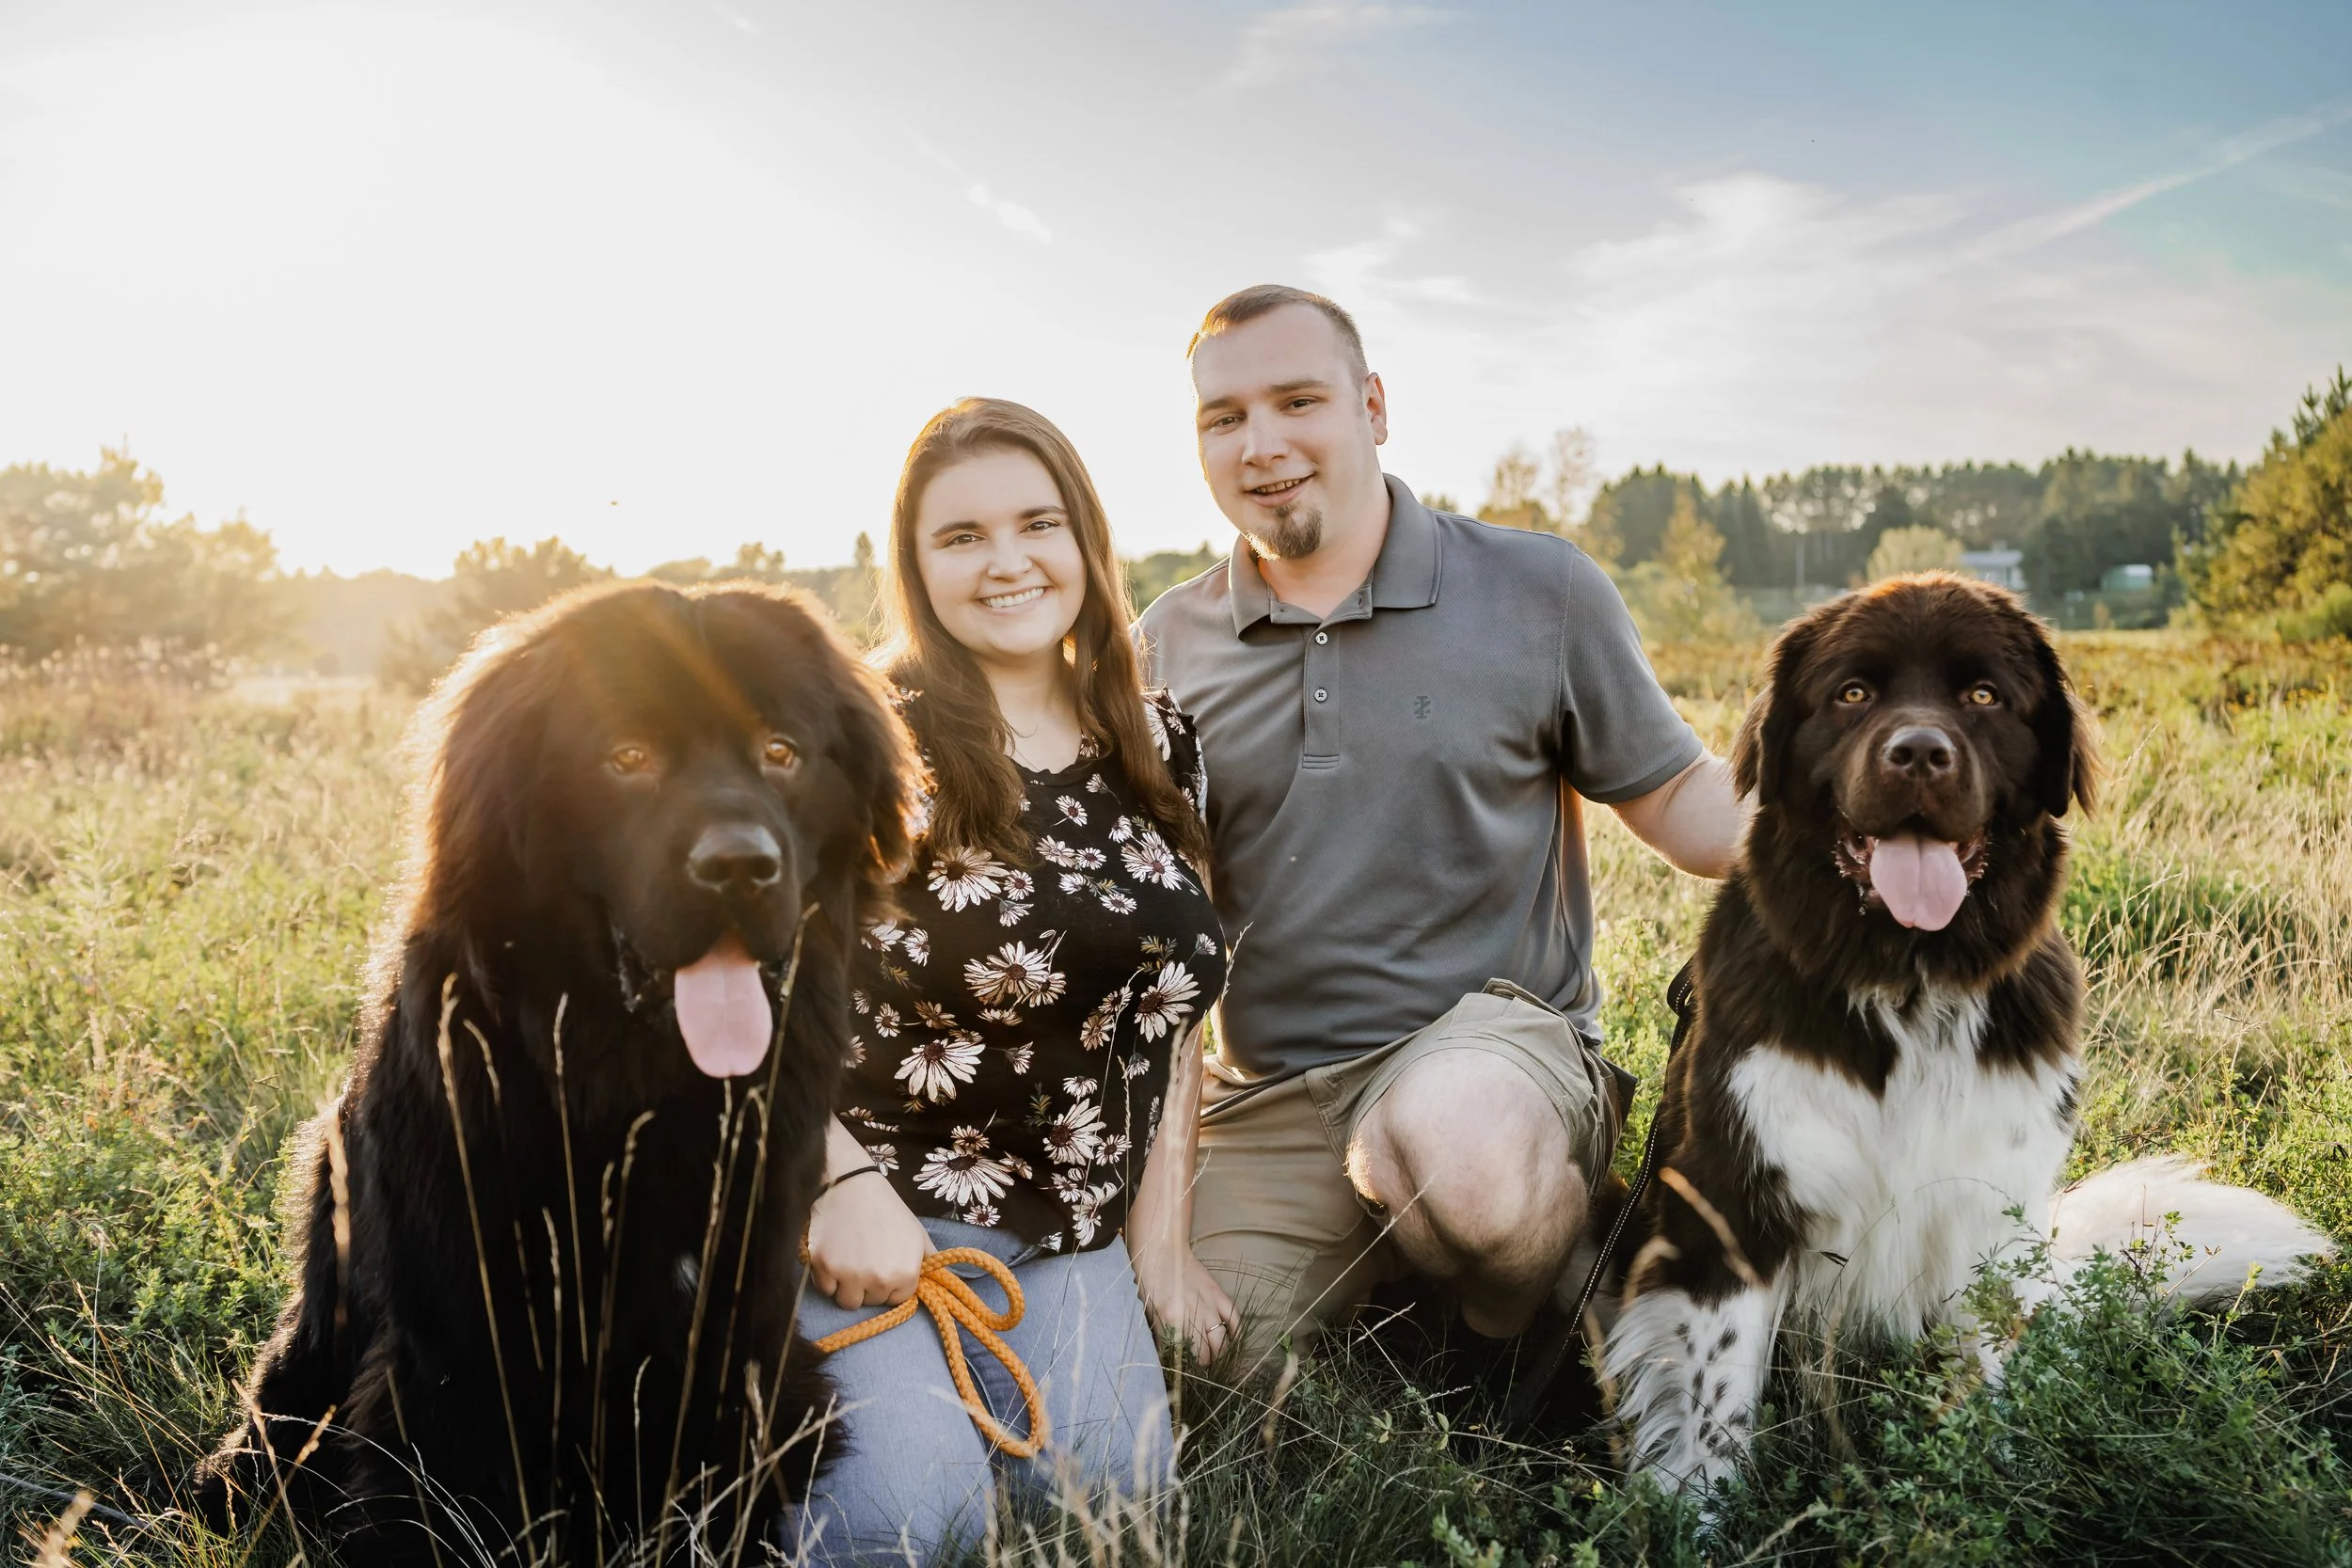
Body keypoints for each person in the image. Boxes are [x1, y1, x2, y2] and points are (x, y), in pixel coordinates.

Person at [1135, 285, 1745, 1378]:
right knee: (1196, 1359)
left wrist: (1875, 816)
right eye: (1224, 417)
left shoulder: (1539, 589)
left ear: (1371, 406)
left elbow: (1689, 810)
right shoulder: (1165, 644)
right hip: (1277, 1096)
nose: (1261, 445)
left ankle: (1506, 1344)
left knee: (1467, 1163)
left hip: (1491, 1057)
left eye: (1297, 401)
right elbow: (1153, 925)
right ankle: (1415, 1291)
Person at [787, 398, 1233, 1567]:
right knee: (905, 1527)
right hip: (862, 1219)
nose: (1006, 562)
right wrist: (833, 1181)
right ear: (914, 564)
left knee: (1119, 1521)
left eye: (1038, 523)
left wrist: (1162, 1245)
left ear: (1085, 536)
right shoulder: (858, 738)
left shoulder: (1159, 737)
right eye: (961, 536)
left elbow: (1172, 1017)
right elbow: (758, 982)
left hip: (1067, 1234)